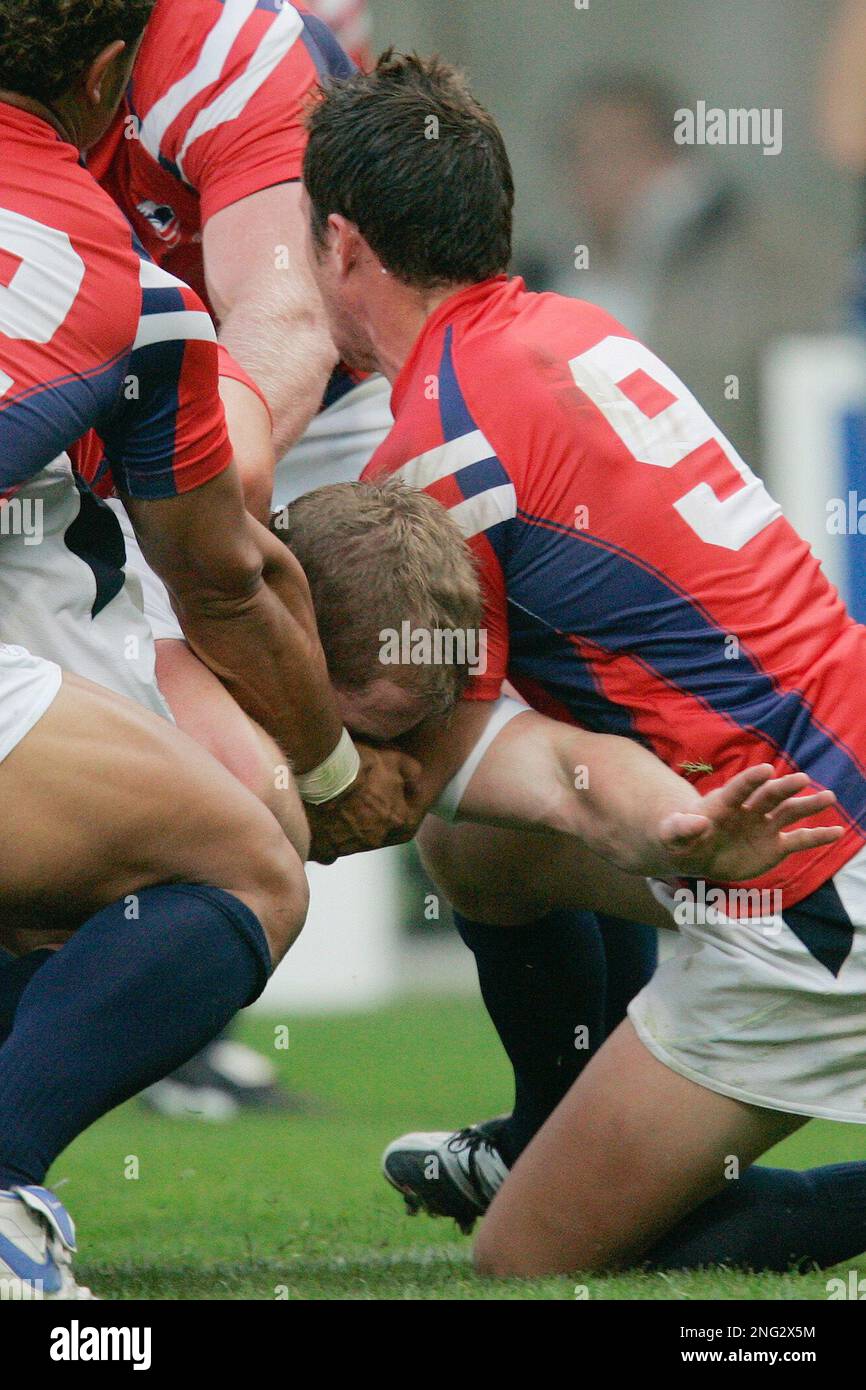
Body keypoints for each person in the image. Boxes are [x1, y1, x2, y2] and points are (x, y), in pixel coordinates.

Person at [295, 51, 866, 1274]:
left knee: (529, 1261)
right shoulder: (566, 327)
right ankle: (547, 1124)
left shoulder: (438, 448)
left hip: (802, 877)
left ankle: (570, 1172)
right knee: (475, 844)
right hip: (797, 789)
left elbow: (430, 752)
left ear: (340, 245)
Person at [0, 0, 410, 1299]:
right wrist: (335, 769)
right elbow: (225, 586)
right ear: (110, 72)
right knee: (242, 855)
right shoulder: (139, 295)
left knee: (58, 890)